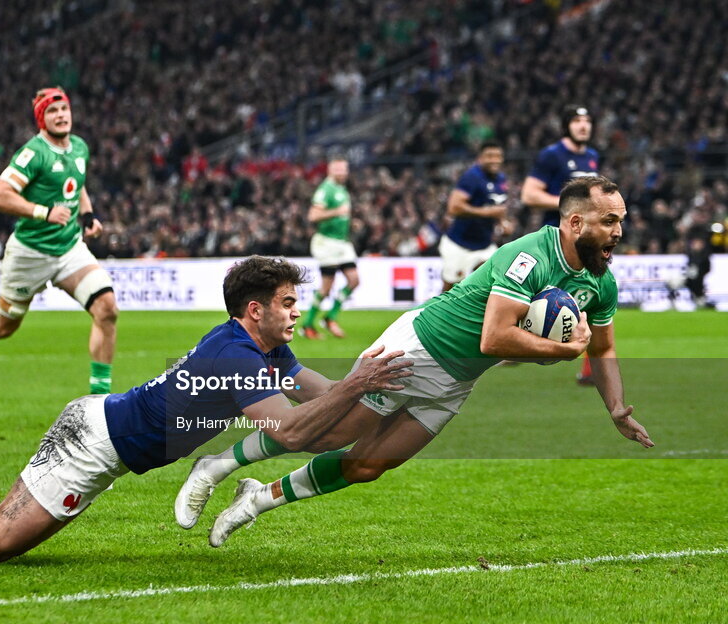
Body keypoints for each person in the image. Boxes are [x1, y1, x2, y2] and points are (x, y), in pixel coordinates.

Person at [0, 256, 413, 561]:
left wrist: (378, 398)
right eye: (286, 303)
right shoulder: (236, 354)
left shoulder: (267, 350)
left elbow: (319, 393)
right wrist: (358, 387)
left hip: (108, 441)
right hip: (94, 442)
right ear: (254, 309)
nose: (294, 313)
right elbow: (295, 430)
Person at [185, 177, 653, 548]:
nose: (618, 230)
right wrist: (563, 350)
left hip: (456, 381)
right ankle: (216, 464)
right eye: (609, 221)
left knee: (366, 466)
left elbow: (603, 348)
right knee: (332, 431)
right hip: (420, 349)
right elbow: (494, 338)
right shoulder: (530, 255)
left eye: (620, 220)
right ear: (574, 223)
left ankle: (255, 500)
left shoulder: (600, 283)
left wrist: (615, 406)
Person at [0, 87, 118, 410]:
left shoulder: (79, 147)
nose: (61, 115)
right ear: (41, 119)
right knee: (3, 325)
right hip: (29, 253)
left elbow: (77, 181)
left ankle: (98, 404)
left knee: (107, 308)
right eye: (52, 111)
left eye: (64, 109)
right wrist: (42, 212)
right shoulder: (33, 153)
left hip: (68, 249)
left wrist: (87, 215)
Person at [521, 105, 600, 384]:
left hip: (584, 242)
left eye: (587, 120)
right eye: (577, 121)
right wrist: (570, 205)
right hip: (553, 241)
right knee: (531, 297)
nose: (583, 126)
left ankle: (590, 371)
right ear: (566, 125)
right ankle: (510, 344)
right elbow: (529, 194)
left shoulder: (592, 157)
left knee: (590, 297)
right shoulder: (552, 155)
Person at [439, 141, 510, 292]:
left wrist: (503, 223)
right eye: (489, 156)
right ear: (480, 158)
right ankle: (435, 314)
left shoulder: (501, 179)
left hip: (484, 245)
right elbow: (453, 207)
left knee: (497, 279)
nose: (494, 160)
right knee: (449, 289)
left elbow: (497, 207)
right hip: (459, 244)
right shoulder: (471, 177)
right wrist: (486, 212)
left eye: (498, 156)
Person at [300, 158, 359, 339]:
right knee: (327, 287)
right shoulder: (326, 190)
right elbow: (313, 215)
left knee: (354, 280)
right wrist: (337, 213)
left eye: (344, 169)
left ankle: (330, 317)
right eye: (338, 169)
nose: (342, 172)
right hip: (326, 243)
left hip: (342, 242)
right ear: (329, 170)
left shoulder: (341, 188)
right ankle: (308, 325)